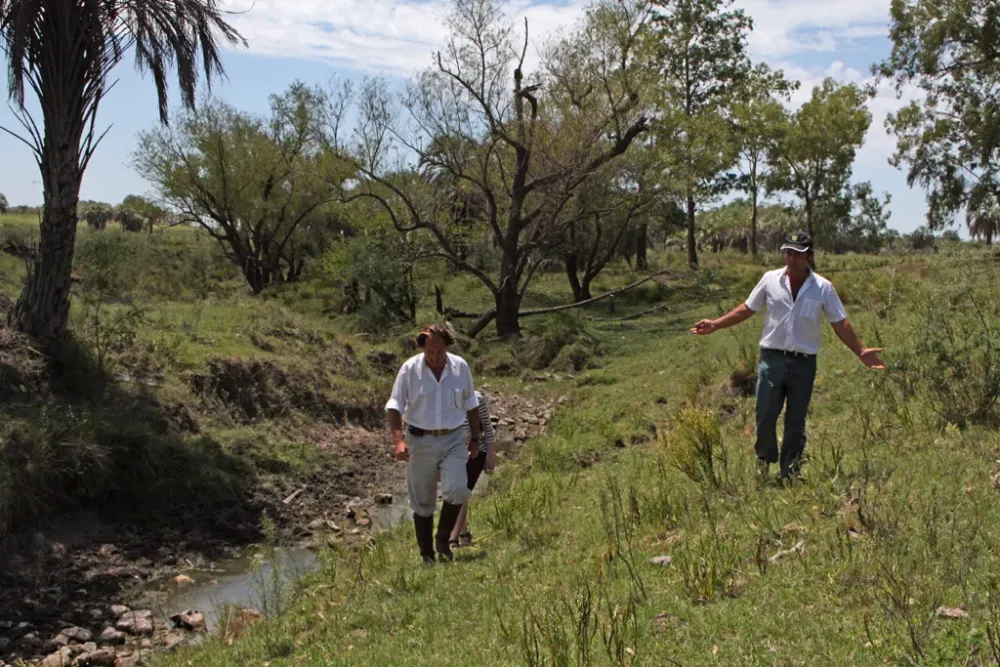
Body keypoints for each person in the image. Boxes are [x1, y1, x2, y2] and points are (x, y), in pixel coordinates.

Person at [690, 231, 885, 484]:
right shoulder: (770, 279)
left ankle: (790, 473)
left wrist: (860, 350)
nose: (791, 259)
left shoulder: (823, 288)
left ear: (810, 256)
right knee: (765, 413)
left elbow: (840, 322)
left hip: (803, 363)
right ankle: (763, 461)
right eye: (788, 253)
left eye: (798, 254)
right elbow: (748, 308)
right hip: (772, 359)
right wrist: (716, 324)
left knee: (796, 420)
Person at [385, 324, 483, 563]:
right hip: (419, 439)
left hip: (453, 438)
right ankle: (427, 554)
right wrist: (398, 441)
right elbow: (394, 406)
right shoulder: (409, 370)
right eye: (430, 353)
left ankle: (443, 538)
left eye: (439, 352)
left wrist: (475, 439)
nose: (435, 357)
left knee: (458, 488)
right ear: (423, 349)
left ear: (447, 347)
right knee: (422, 500)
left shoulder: (460, 367)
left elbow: (471, 404)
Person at [449, 390, 497, 548]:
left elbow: (488, 428)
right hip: (453, 452)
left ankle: (452, 538)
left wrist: (491, 454)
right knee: (458, 492)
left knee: (461, 492)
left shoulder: (477, 399)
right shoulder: (442, 398)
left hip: (476, 452)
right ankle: (464, 533)